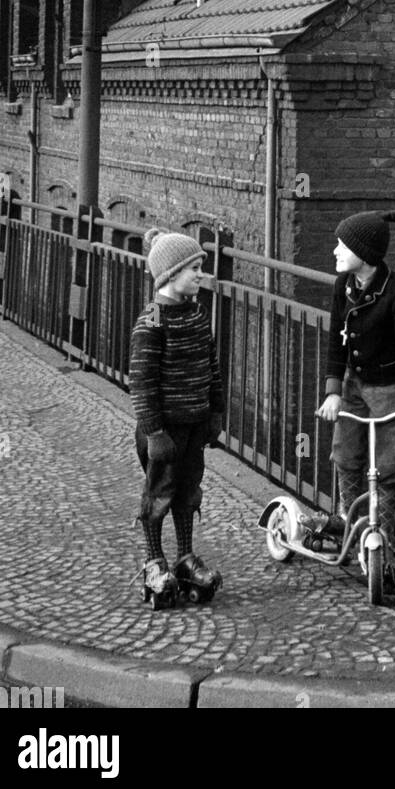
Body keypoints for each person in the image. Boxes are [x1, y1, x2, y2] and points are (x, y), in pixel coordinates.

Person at [317, 210, 395, 587]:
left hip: (391, 390)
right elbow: (336, 338)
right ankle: (347, 526)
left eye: (342, 245)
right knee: (345, 455)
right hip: (354, 386)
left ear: (364, 254)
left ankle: (388, 549)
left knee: (385, 469)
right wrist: (334, 392)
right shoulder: (342, 286)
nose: (335, 251)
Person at [129, 228, 224, 607]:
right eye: (194, 269)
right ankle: (154, 561)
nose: (200, 275)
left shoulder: (197, 314)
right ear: (169, 275)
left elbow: (210, 364)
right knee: (160, 494)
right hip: (164, 430)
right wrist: (154, 431)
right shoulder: (151, 321)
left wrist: (215, 411)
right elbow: (142, 381)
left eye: (200, 268)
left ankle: (184, 558)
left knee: (188, 491)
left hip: (194, 423)